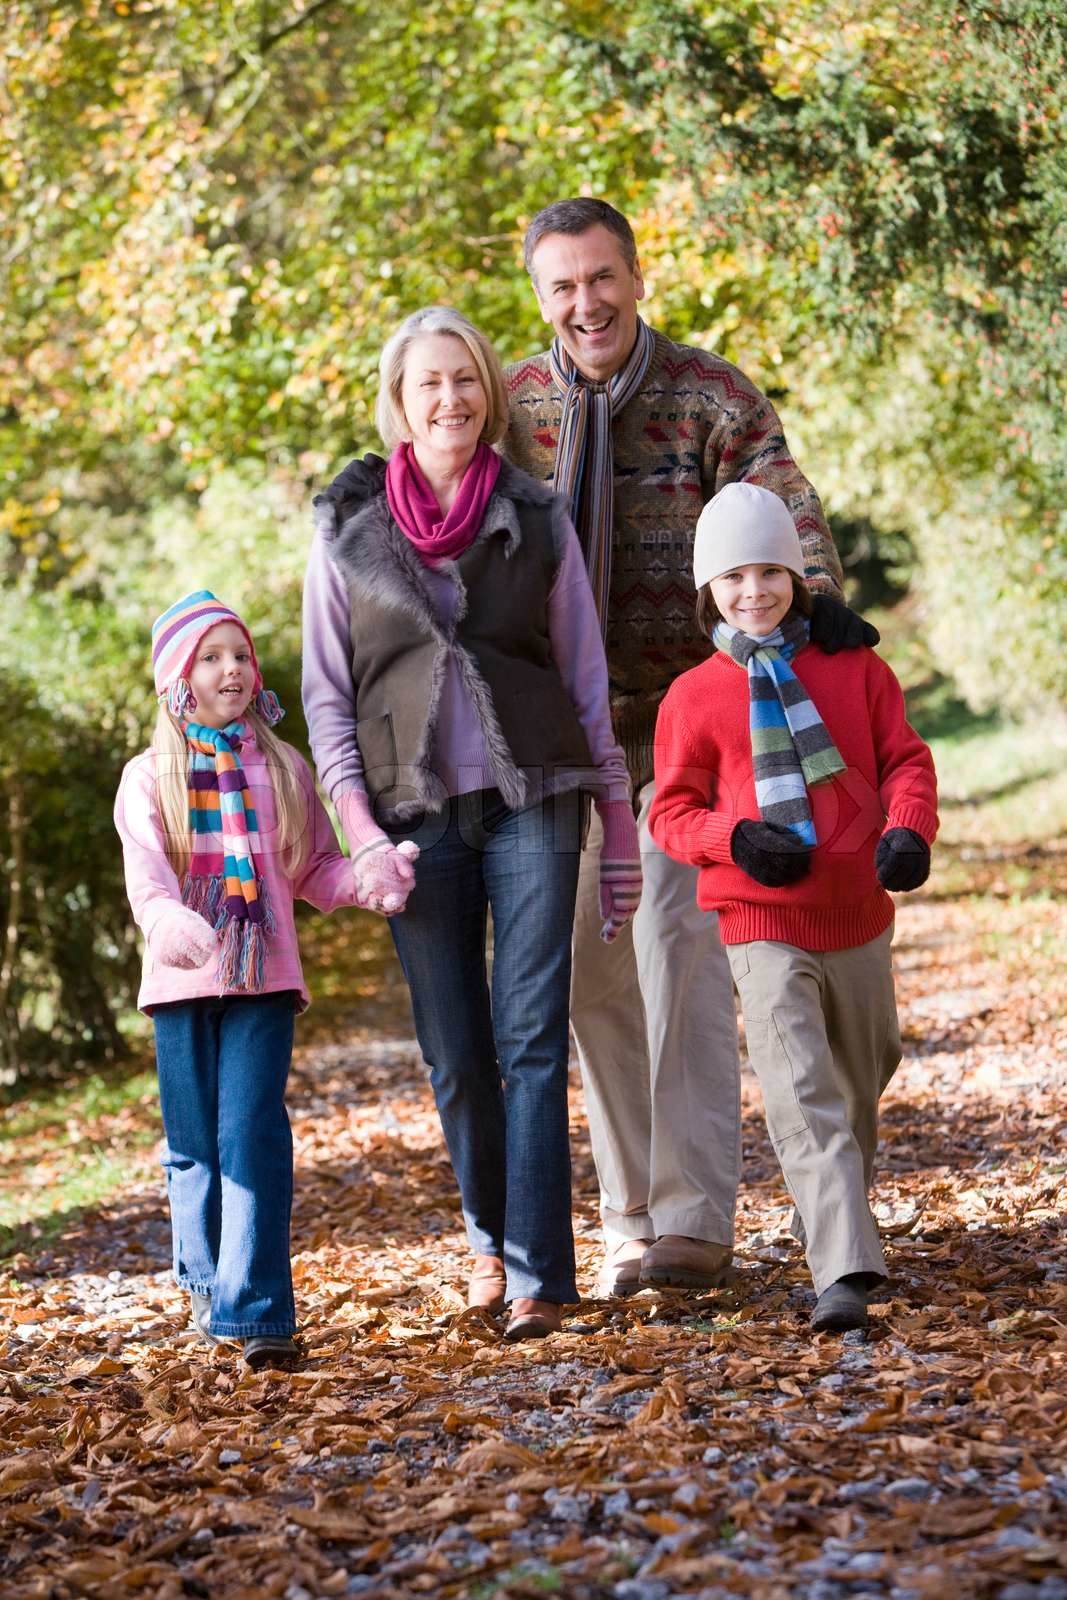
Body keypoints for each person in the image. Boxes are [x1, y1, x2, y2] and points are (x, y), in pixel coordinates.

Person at [504, 196, 877, 1296]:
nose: (586, 303)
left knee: (674, 949)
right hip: (558, 735)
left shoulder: (707, 396)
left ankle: (689, 1220)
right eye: (562, 286)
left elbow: (783, 509)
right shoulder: (516, 404)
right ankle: (625, 1212)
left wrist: (812, 591)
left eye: (601, 278)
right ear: (541, 298)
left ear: (634, 276)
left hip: (691, 728)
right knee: (586, 975)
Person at [303, 305, 638, 1340]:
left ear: (488, 391)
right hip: (410, 817)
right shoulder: (348, 533)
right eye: (426, 384)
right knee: (453, 1048)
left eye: (464, 379)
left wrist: (617, 829)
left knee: (529, 1033)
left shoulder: (535, 516)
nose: (448, 398)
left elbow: (585, 676)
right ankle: (487, 1243)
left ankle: (543, 1274)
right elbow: (324, 695)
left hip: (535, 791)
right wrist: (356, 827)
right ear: (397, 404)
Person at [649, 482, 938, 1330]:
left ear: (795, 573)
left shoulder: (855, 667)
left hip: (855, 910)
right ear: (710, 591)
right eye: (733, 578)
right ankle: (841, 1271)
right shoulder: (693, 696)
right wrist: (731, 839)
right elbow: (670, 811)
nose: (753, 592)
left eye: (768, 571)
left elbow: (905, 763)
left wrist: (908, 832)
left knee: (861, 1071)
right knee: (799, 1087)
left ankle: (832, 1213)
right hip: (760, 920)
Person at [114, 591, 367, 1369]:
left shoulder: (283, 770)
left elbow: (314, 866)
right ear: (177, 679)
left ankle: (256, 1316)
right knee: (193, 1148)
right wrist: (167, 923)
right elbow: (148, 881)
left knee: (249, 1134)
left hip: (264, 980)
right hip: (181, 987)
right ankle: (204, 1275)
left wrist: (368, 879)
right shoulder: (150, 775)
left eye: (240, 654)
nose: (232, 669)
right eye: (212, 656)